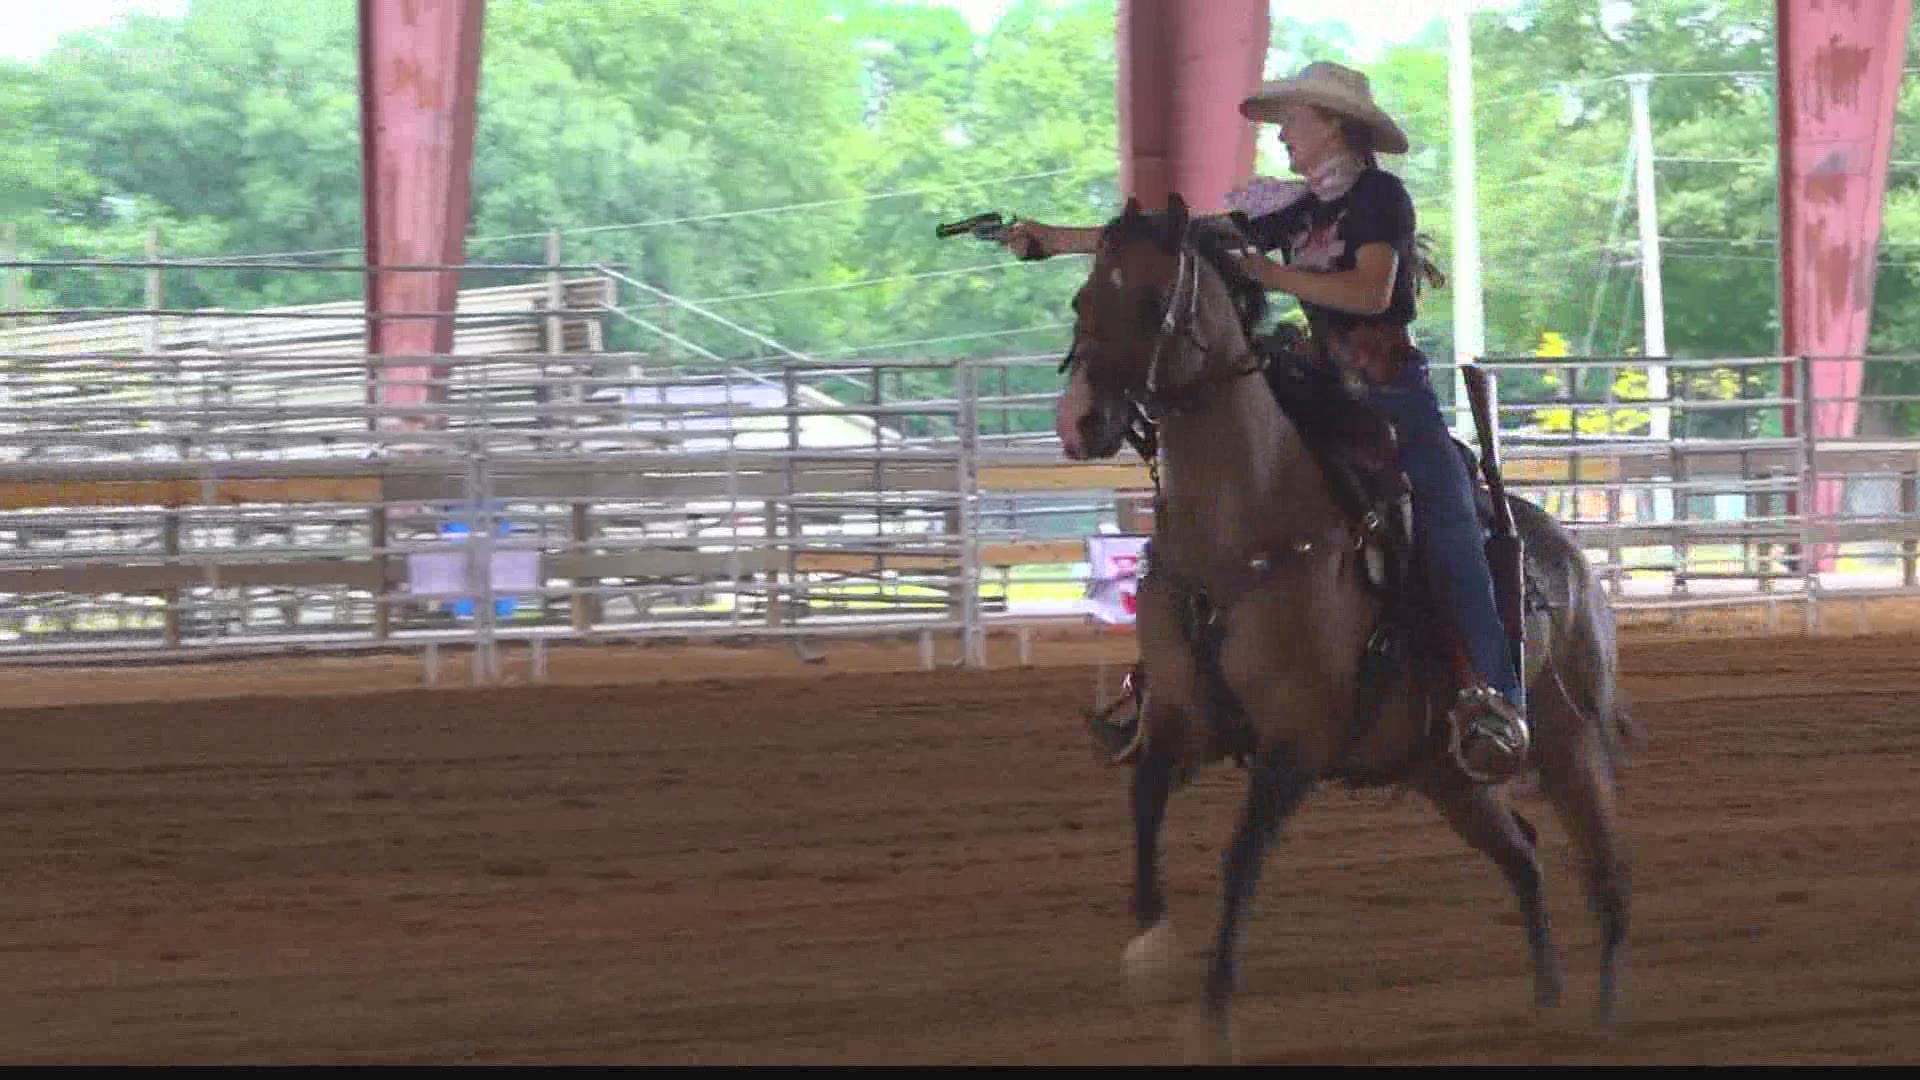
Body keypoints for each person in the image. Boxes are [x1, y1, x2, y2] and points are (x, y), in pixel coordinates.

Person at [1004, 61, 1529, 784]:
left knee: (1449, 516)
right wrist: (1056, 240)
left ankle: (1493, 695)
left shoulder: (1380, 198)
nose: (1282, 135)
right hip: (1321, 385)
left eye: (1293, 121)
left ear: (1333, 125)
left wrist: (1273, 275)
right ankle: (1175, 676)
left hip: (1387, 387)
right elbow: (1179, 235)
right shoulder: (1302, 209)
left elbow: (1373, 293)